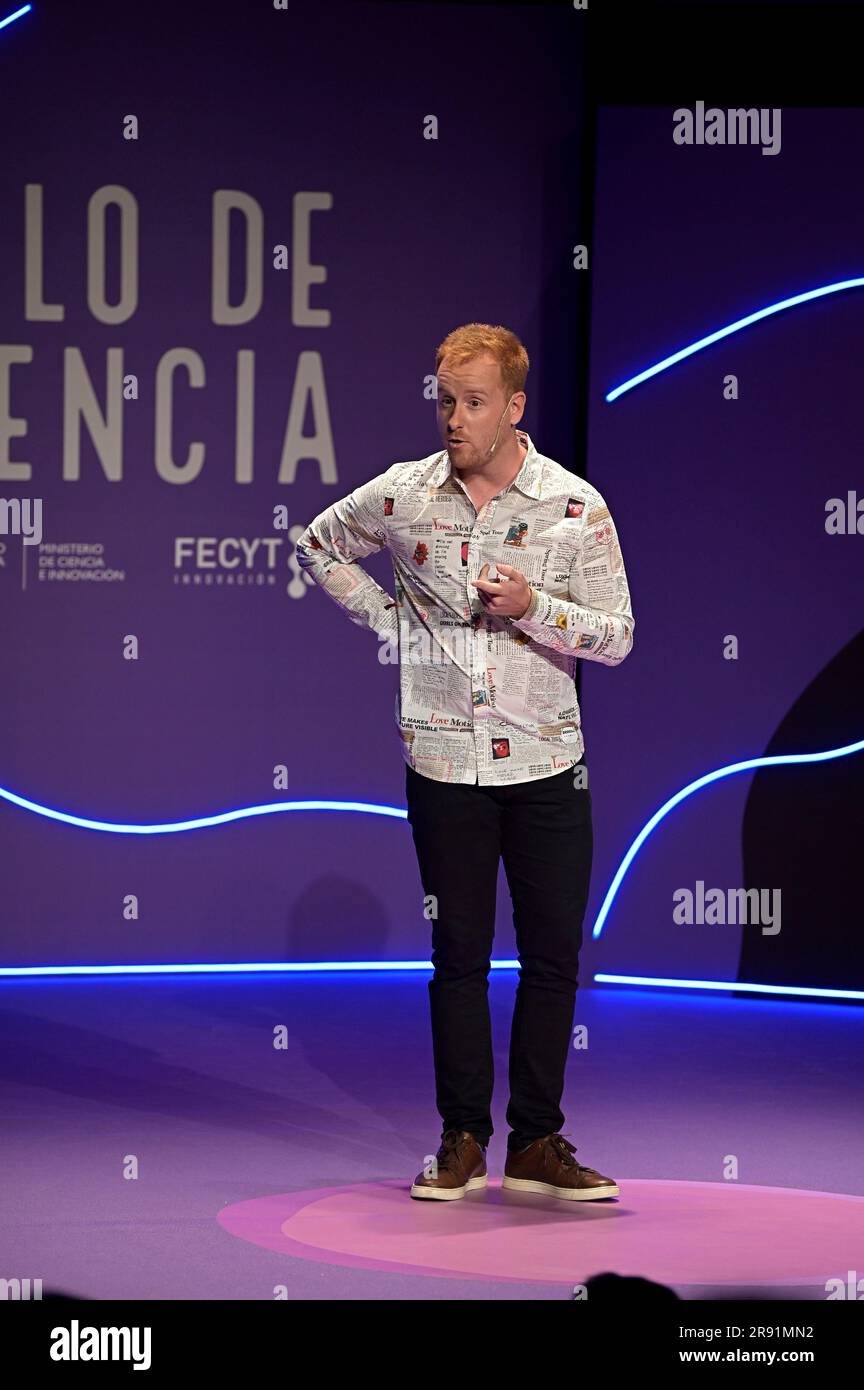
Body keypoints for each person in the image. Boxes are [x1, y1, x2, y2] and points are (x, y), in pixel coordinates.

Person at [295, 323, 634, 1203]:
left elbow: (618, 637)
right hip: (444, 763)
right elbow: (316, 543)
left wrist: (534, 608)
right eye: (444, 398)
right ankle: (462, 1137)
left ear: (514, 407)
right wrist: (390, 625)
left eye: (473, 402)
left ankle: (538, 1140)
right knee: (459, 956)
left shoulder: (574, 506)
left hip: (551, 764)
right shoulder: (407, 496)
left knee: (554, 956)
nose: (453, 417)